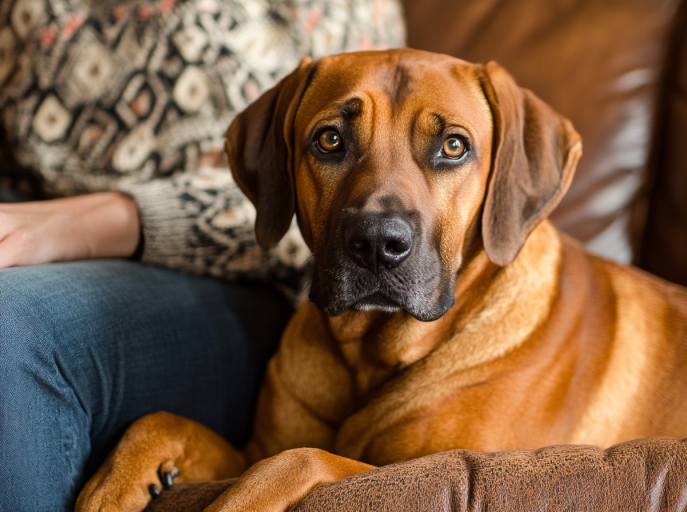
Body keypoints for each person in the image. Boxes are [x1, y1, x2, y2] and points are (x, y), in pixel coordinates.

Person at [0, 0, 405, 510]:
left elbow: (365, 185)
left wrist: (88, 221)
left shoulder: (341, 57)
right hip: (24, 216)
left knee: (6, 325)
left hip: (225, 263)